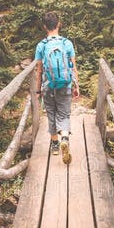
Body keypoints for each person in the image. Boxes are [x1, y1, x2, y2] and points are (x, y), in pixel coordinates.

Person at [34, 12, 79, 164]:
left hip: (48, 85)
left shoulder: (41, 45)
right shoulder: (67, 43)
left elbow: (39, 70)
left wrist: (38, 89)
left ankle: (55, 145)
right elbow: (73, 67)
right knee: (64, 114)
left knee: (51, 113)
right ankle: (64, 137)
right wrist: (76, 85)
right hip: (65, 84)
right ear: (59, 24)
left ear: (44, 27)